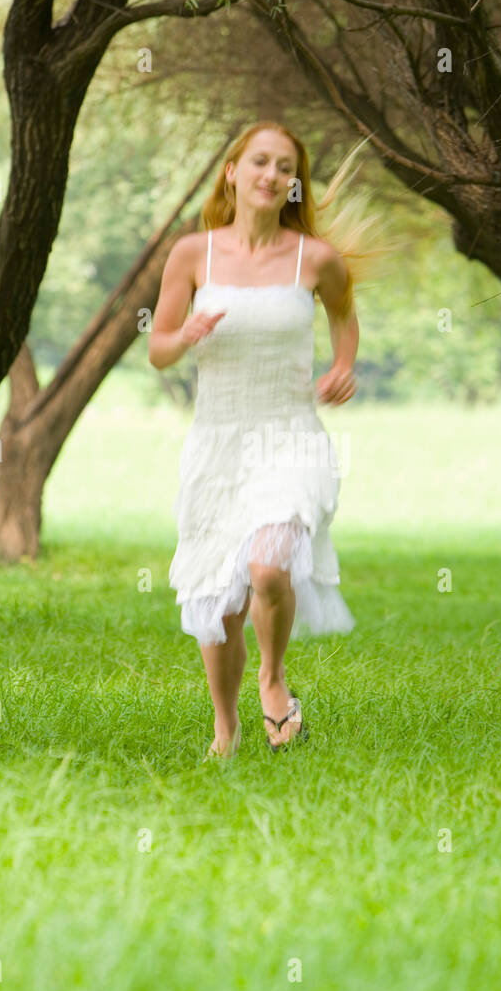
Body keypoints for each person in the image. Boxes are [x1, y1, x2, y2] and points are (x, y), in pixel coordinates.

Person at [150, 121, 364, 759]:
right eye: (260, 162)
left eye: (285, 167)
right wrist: (183, 336)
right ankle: (225, 726)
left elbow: (344, 315)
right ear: (233, 171)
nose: (271, 175)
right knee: (218, 601)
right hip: (218, 446)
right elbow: (158, 349)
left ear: (293, 183)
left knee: (268, 564)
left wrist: (343, 365)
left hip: (290, 440)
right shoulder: (194, 254)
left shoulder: (314, 259)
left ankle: (272, 680)